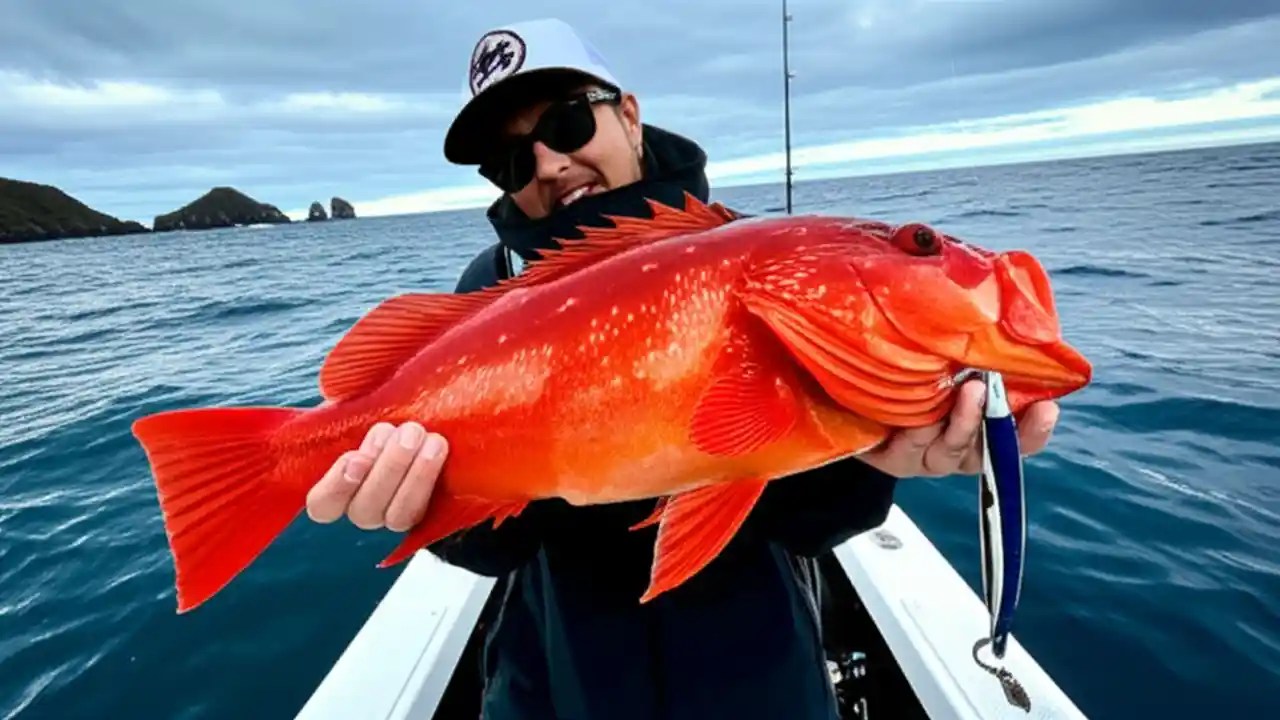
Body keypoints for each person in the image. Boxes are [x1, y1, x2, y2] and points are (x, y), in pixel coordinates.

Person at [305, 17, 1062, 720]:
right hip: (558, 682)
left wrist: (874, 453)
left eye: (567, 123)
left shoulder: (754, 251)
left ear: (628, 113)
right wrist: (425, 511)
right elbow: (496, 545)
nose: (548, 161)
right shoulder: (486, 293)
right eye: (510, 160)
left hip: (759, 679)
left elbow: (813, 523)